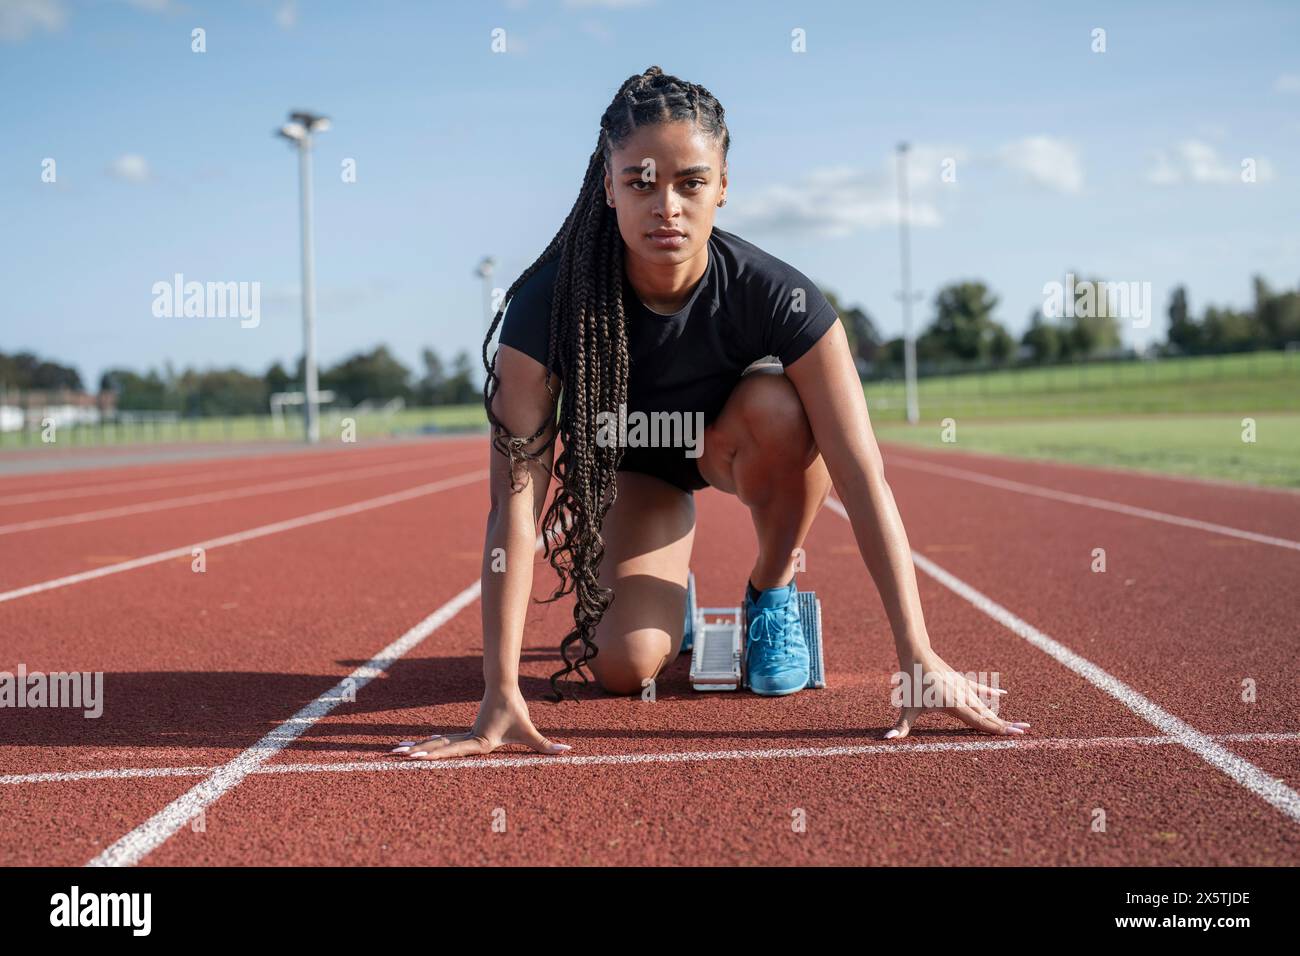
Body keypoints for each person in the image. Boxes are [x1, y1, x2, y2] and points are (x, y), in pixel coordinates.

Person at [392, 66, 1029, 760]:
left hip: (734, 445)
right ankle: (668, 597)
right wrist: (499, 689)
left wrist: (917, 654)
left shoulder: (780, 297)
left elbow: (860, 471)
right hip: (639, 471)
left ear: (722, 188)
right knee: (624, 667)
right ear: (607, 186)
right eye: (640, 181)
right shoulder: (546, 308)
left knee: (786, 408)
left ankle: (773, 588)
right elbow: (515, 504)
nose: (666, 205)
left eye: (690, 182)